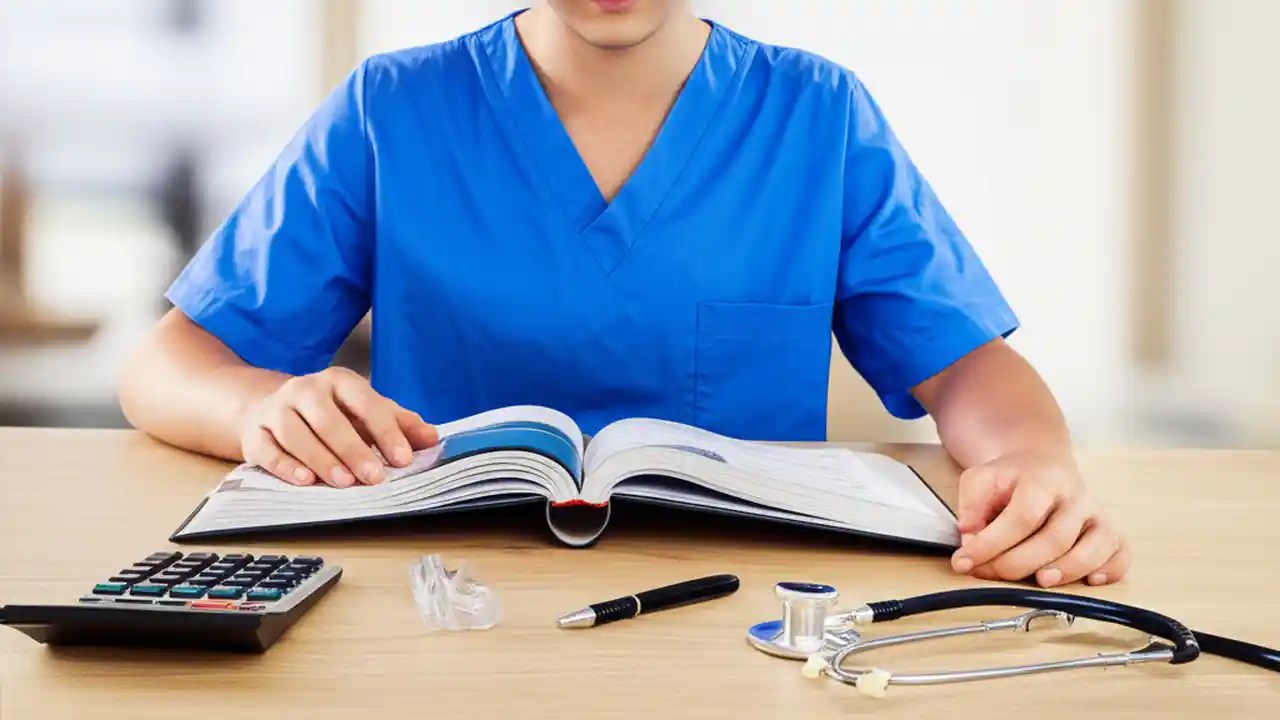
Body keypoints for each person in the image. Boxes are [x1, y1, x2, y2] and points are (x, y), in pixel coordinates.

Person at [118, 0, 1129, 588]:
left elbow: (968, 366)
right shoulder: (390, 109)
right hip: (435, 595)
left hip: (749, 613)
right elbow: (167, 366)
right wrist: (258, 406)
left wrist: (1029, 460)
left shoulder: (817, 116)